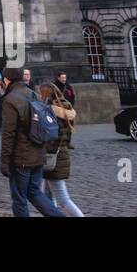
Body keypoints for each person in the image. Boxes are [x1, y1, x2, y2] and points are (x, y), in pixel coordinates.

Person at [0, 67, 64, 218]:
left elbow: (9, 133)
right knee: (34, 191)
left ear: (8, 79)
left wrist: (4, 161)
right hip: (38, 154)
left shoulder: (10, 99)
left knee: (19, 197)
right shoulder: (34, 94)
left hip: (21, 158)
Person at [38, 82, 83, 217]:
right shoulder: (65, 108)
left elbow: (49, 137)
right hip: (61, 153)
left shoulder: (50, 113)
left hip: (53, 157)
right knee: (46, 196)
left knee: (63, 199)